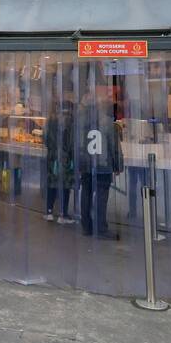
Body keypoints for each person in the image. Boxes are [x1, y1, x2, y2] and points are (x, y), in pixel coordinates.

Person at [74, 83, 122, 240]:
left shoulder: (84, 123)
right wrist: (118, 166)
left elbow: (79, 143)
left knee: (86, 193)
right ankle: (101, 227)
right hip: (102, 164)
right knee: (101, 196)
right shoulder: (109, 124)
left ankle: (86, 226)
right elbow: (114, 147)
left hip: (87, 163)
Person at [44, 99, 76, 225]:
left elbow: (45, 139)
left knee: (52, 183)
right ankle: (63, 214)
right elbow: (72, 142)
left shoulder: (50, 121)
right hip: (65, 158)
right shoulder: (70, 122)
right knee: (65, 185)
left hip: (52, 157)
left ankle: (49, 211)